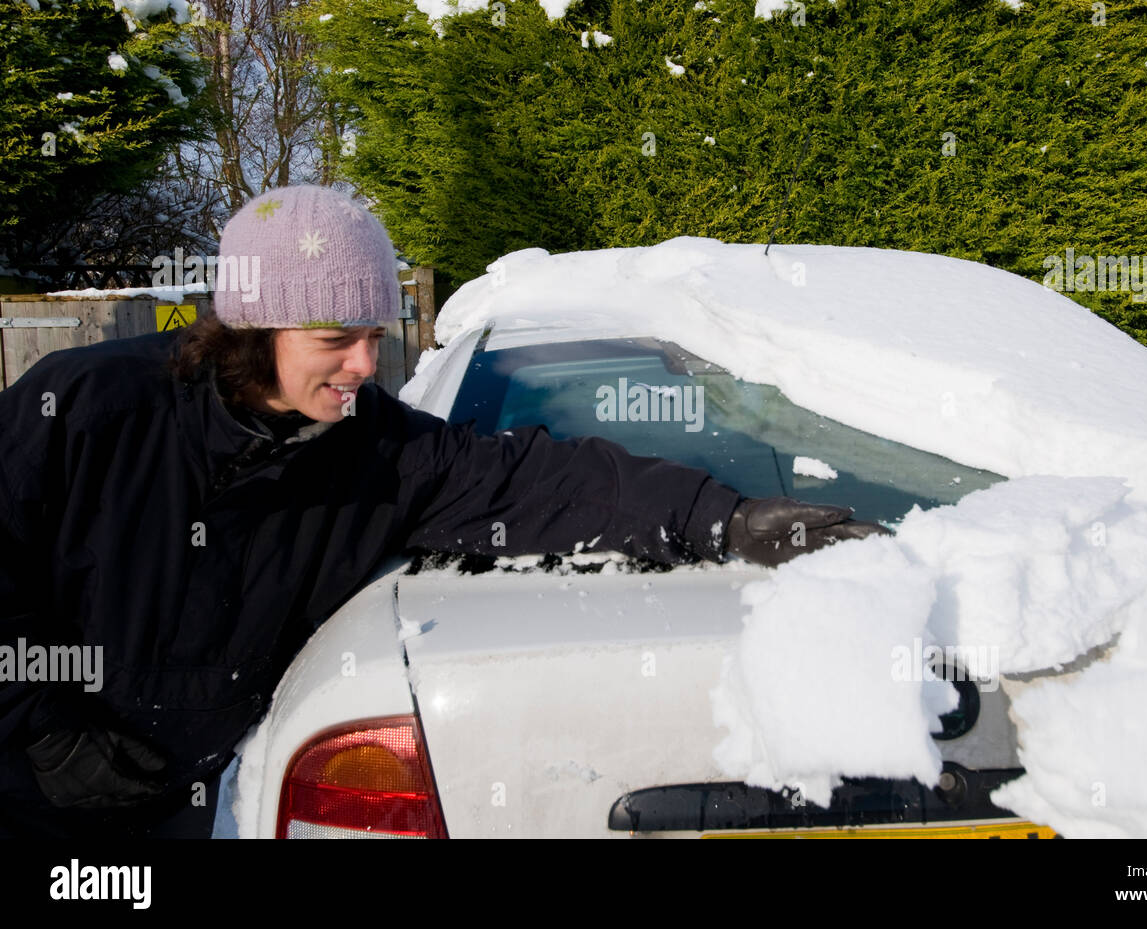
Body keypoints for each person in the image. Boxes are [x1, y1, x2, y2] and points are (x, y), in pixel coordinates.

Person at [0, 185, 886, 838]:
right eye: (335, 339)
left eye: (374, 337)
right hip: (25, 791)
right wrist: (41, 729)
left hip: (187, 805)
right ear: (248, 330)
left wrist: (727, 518)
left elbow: (544, 482)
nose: (362, 364)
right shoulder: (88, 408)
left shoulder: (380, 451)